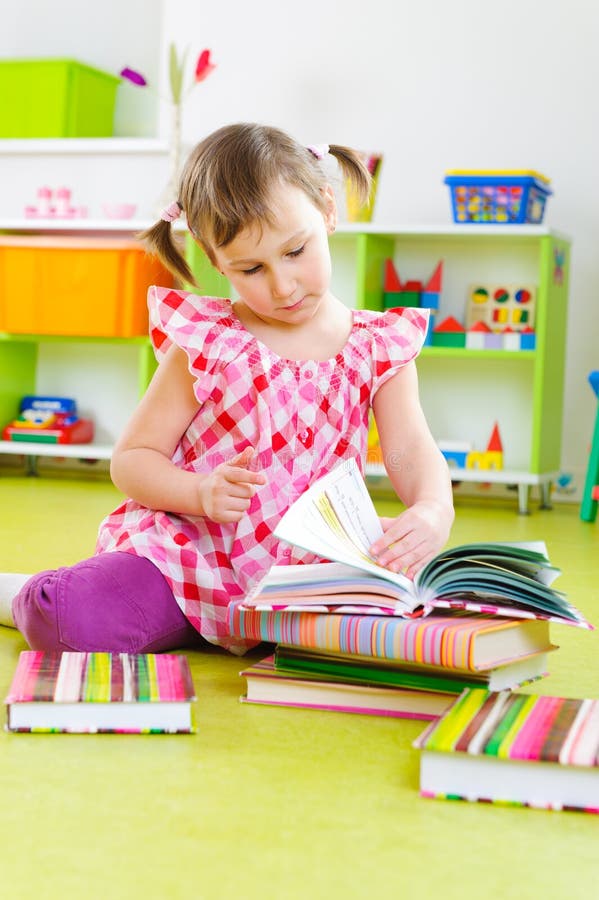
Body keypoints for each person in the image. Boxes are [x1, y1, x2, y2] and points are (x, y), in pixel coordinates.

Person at [0, 123, 454, 655]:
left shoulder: (377, 345)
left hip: (311, 573)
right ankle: (23, 593)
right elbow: (133, 460)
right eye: (251, 268)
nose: (283, 285)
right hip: (186, 565)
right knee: (65, 615)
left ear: (328, 210)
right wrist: (198, 493)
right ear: (214, 259)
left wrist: (432, 509)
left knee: (419, 614)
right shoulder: (211, 342)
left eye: (296, 251)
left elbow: (406, 450)